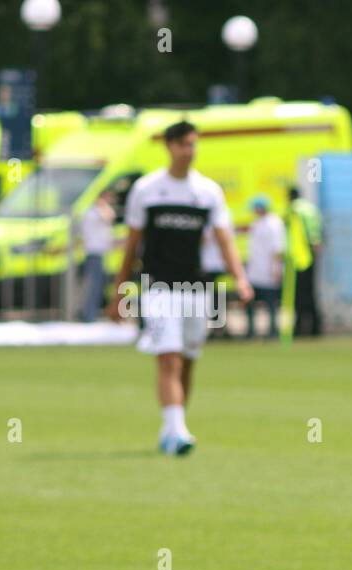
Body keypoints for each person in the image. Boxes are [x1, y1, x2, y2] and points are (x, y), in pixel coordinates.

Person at [109, 119, 252, 455]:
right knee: (168, 358)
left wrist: (241, 278)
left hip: (196, 289)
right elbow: (131, 245)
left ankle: (172, 429)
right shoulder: (146, 190)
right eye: (185, 144)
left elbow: (224, 239)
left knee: (187, 361)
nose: (190, 151)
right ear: (169, 147)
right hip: (158, 287)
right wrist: (120, 291)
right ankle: (178, 431)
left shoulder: (207, 192)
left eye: (194, 144)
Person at [245, 194, 285, 339]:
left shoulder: (274, 223)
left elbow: (278, 249)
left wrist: (276, 269)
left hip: (268, 271)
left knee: (271, 303)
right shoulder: (257, 223)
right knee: (250, 301)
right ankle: (251, 331)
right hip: (254, 271)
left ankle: (273, 330)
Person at [286, 186, 323, 336]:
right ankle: (315, 327)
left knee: (299, 295)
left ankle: (300, 326)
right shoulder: (311, 209)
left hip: (299, 257)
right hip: (311, 255)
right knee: (311, 293)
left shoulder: (294, 210)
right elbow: (315, 230)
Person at [79, 189, 115, 323]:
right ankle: (89, 316)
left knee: (98, 286)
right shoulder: (94, 212)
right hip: (94, 253)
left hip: (98, 253)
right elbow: (110, 216)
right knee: (94, 286)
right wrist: (103, 204)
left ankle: (91, 315)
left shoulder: (93, 213)